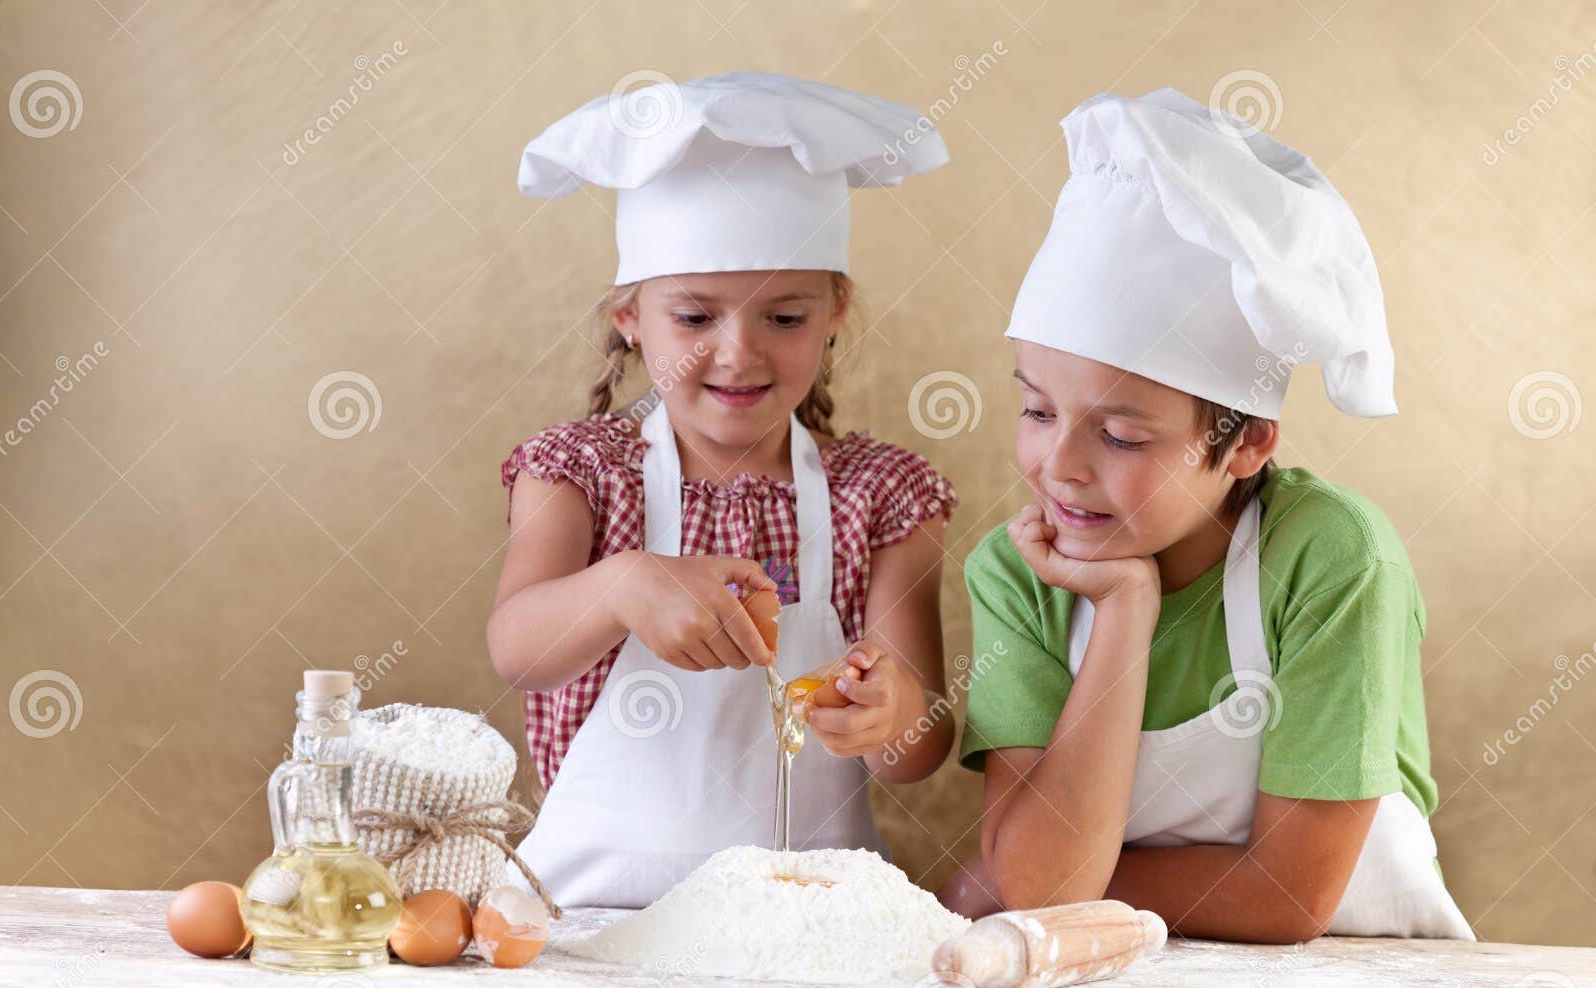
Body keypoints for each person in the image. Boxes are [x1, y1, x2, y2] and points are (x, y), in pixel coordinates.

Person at [944, 88, 1473, 942]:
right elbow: (1041, 884)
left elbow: (1290, 899)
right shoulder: (1019, 570)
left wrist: (1033, 879)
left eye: (1118, 435)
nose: (1060, 468)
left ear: (1246, 445)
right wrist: (1122, 607)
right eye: (1037, 411)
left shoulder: (1333, 561)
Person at [489, 73, 958, 908]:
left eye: (784, 318)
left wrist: (892, 715)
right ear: (631, 315)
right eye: (696, 318)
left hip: (806, 932)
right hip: (589, 926)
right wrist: (625, 581)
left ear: (835, 309)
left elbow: (917, 750)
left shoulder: (880, 497)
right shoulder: (582, 474)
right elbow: (518, 653)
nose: (739, 355)